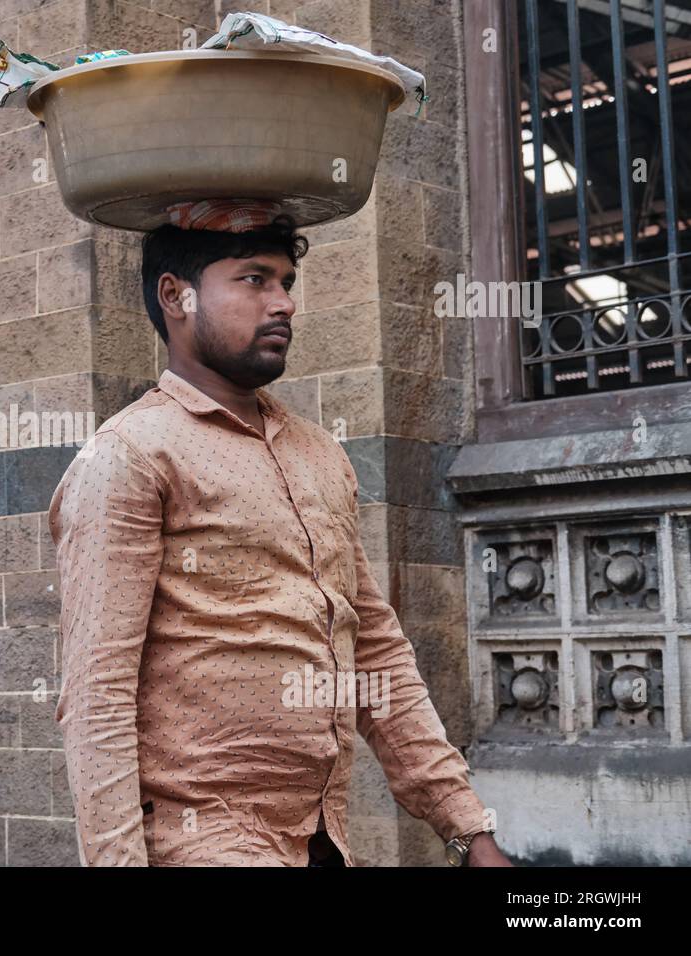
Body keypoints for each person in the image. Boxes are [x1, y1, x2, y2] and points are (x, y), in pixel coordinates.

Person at [46, 202, 513, 867]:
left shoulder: (320, 453)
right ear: (175, 296)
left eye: (286, 282)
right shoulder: (129, 456)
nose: (284, 302)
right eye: (255, 279)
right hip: (203, 844)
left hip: (324, 839)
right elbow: (97, 695)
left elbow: (376, 652)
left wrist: (467, 830)